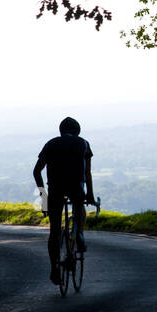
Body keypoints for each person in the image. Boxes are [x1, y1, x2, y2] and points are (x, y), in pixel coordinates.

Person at [32, 116, 96, 285]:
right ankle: (79, 233)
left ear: (60, 131)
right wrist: (89, 194)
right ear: (78, 131)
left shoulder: (51, 144)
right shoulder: (83, 143)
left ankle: (54, 269)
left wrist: (43, 197)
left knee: (54, 231)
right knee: (79, 207)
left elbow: (36, 171)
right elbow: (87, 173)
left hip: (55, 188)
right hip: (76, 186)